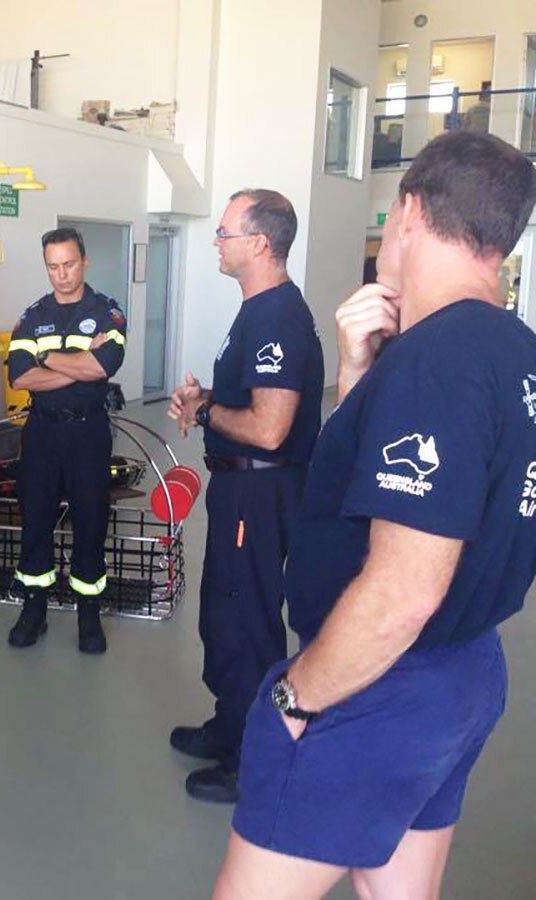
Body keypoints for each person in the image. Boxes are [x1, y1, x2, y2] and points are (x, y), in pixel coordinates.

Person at [212, 130, 536, 900]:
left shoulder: (438, 360)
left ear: (410, 212)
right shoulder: (514, 349)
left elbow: (403, 593)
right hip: (464, 674)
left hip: (377, 683)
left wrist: (296, 697)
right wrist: (360, 370)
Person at [167, 189, 324, 804]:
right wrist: (205, 399)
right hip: (240, 488)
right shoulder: (258, 310)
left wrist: (205, 410)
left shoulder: (276, 317)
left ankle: (253, 755)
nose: (216, 241)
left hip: (260, 493)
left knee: (247, 619)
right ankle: (231, 723)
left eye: (225, 232)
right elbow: (251, 404)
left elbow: (270, 427)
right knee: (224, 609)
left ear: (258, 243)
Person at [5, 227, 126, 654]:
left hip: (88, 431)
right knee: (35, 517)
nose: (62, 274)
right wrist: (78, 363)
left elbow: (103, 367)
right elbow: (20, 377)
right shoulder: (32, 316)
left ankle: (88, 613)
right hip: (42, 430)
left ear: (84, 261)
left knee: (90, 519)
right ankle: (33, 608)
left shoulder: (107, 312)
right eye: (53, 266)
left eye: (69, 264)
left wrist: (46, 357)